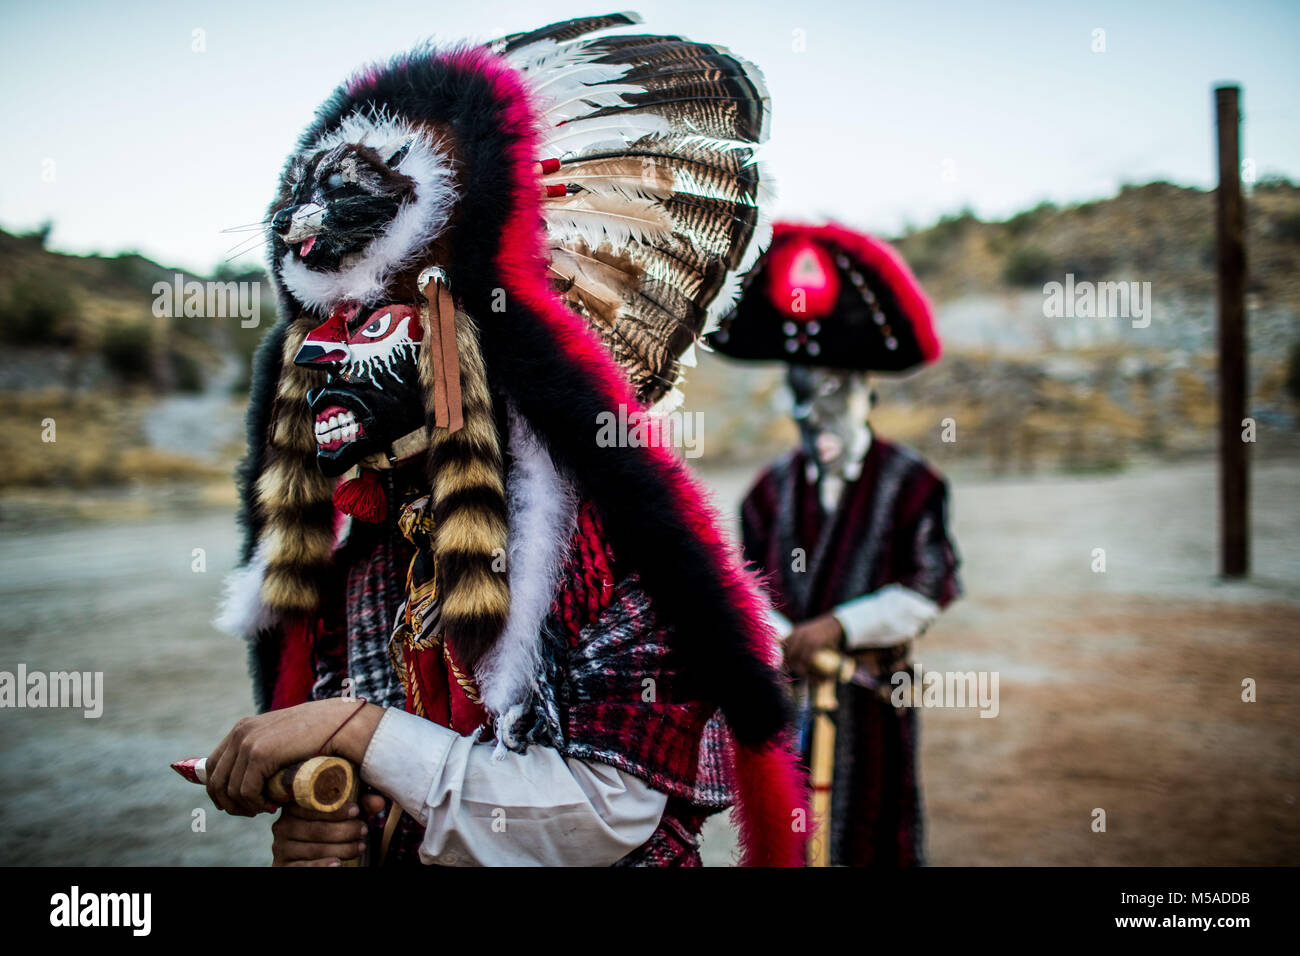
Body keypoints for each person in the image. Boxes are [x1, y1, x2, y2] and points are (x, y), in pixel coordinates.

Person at [209, 14, 806, 867]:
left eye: (371, 322)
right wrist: (327, 823)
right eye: (319, 327)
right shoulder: (353, 532)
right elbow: (351, 774)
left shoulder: (594, 541)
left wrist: (361, 732)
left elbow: (606, 812)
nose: (327, 359)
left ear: (462, 337)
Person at [708, 222, 961, 866]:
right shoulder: (767, 492)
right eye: (802, 401)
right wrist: (782, 634)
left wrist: (840, 627)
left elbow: (930, 585)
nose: (817, 416)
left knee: (876, 830)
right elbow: (749, 588)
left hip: (874, 701)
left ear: (865, 394)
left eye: (833, 397)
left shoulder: (914, 485)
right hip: (794, 700)